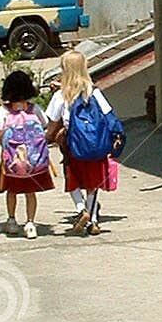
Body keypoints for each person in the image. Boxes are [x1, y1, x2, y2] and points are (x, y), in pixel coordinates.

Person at [46, 50, 120, 236]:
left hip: (73, 145)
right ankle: (93, 221)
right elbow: (110, 116)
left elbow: (52, 121)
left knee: (73, 180)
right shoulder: (94, 92)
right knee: (93, 184)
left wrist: (45, 138)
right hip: (96, 144)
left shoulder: (61, 95)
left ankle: (81, 210)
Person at [0, 69, 52, 238]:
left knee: (12, 191)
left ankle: (12, 221)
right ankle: (30, 223)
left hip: (12, 162)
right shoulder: (34, 109)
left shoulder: (3, 111)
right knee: (31, 193)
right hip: (33, 161)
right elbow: (45, 125)